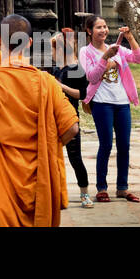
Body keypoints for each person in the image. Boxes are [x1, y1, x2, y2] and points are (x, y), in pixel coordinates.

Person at [0, 15, 78, 227]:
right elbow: (72, 127)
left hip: (2, 177)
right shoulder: (46, 82)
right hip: (40, 176)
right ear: (30, 43)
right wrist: (48, 146)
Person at [80, 16, 140, 203]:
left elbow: (138, 58)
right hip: (101, 103)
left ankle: (122, 188)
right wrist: (105, 58)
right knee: (106, 144)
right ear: (89, 31)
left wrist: (130, 38)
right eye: (99, 27)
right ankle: (102, 188)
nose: (103, 30)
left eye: (105, 27)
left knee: (124, 146)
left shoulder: (117, 49)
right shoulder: (86, 51)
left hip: (122, 102)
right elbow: (92, 76)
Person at [49, 29, 91, 208]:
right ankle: (55, 193)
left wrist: (61, 86)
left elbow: (82, 94)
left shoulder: (77, 68)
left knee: (75, 157)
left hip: (70, 116)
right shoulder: (55, 68)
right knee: (51, 157)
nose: (52, 52)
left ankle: (84, 194)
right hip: (52, 118)